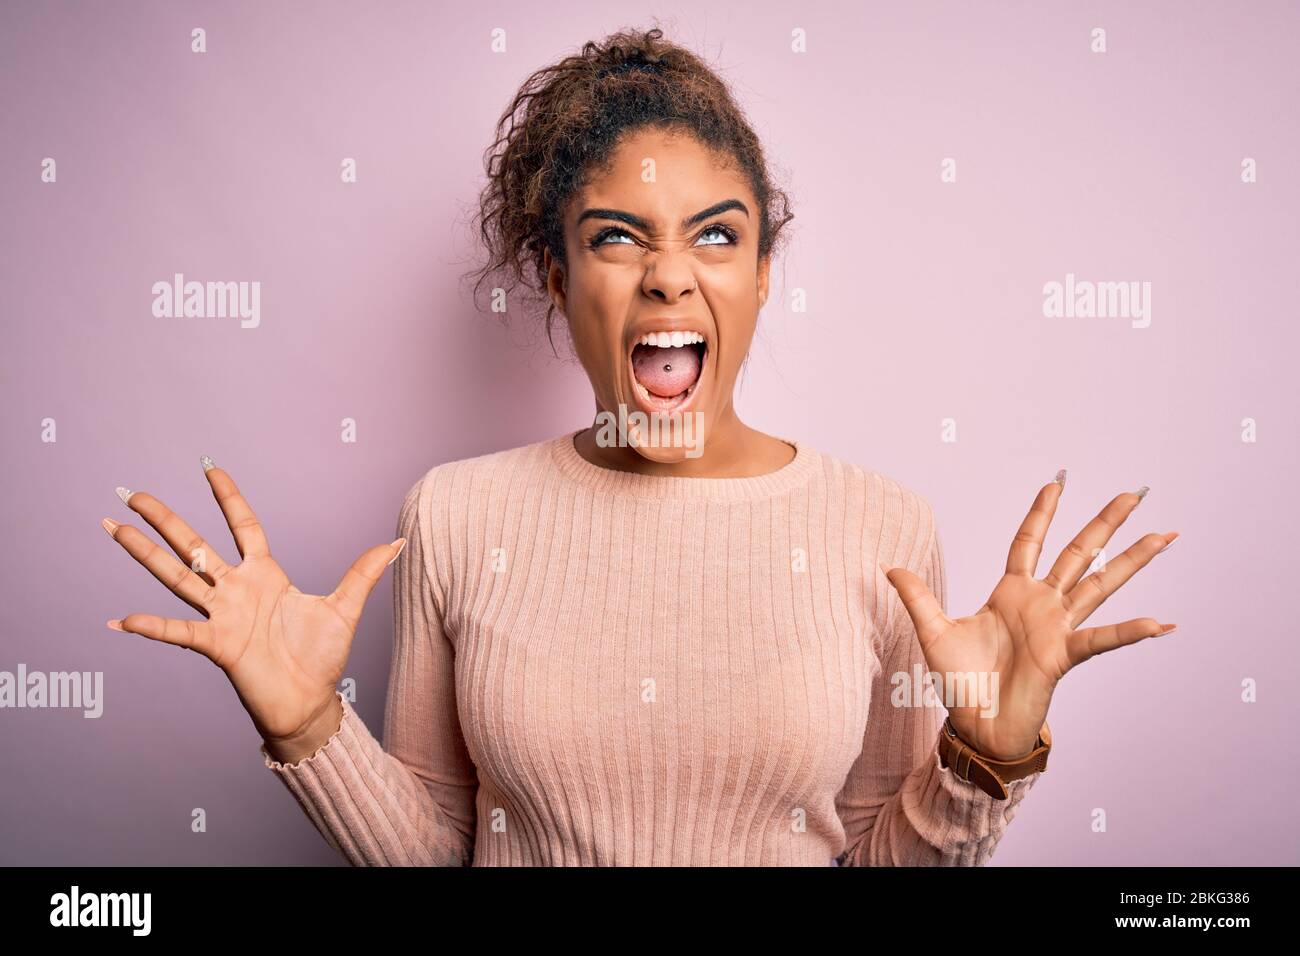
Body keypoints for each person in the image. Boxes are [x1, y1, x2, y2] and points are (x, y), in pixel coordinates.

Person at [102, 26, 1179, 866]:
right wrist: (307, 728)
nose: (669, 274)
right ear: (560, 279)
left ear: (761, 275)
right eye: (616, 237)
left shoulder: (878, 526)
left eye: (716, 233)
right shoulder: (456, 514)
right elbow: (440, 845)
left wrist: (981, 755)